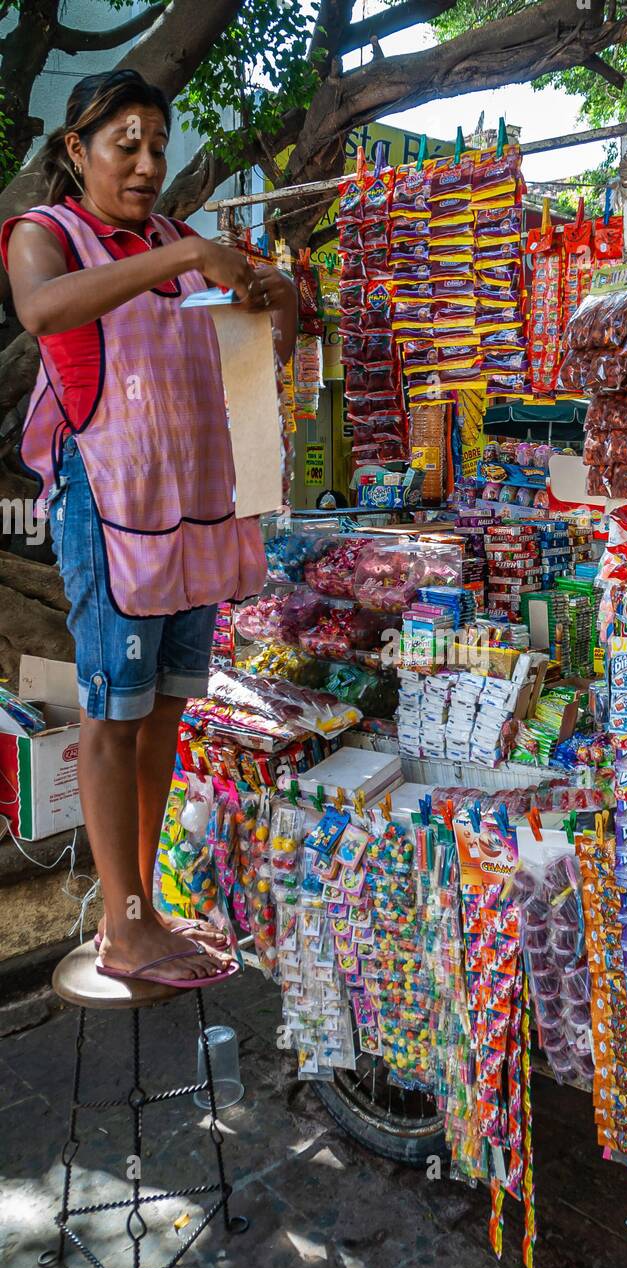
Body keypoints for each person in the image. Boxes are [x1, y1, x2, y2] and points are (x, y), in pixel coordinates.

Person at [2, 70, 297, 986]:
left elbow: (266, 350)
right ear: (74, 153)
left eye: (157, 144)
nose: (146, 161)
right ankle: (121, 928)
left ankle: (143, 908)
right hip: (113, 514)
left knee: (164, 712)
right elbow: (44, 310)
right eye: (124, 143)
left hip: (193, 514)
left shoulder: (179, 240)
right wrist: (186, 259)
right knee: (111, 719)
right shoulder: (44, 235)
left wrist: (274, 293)